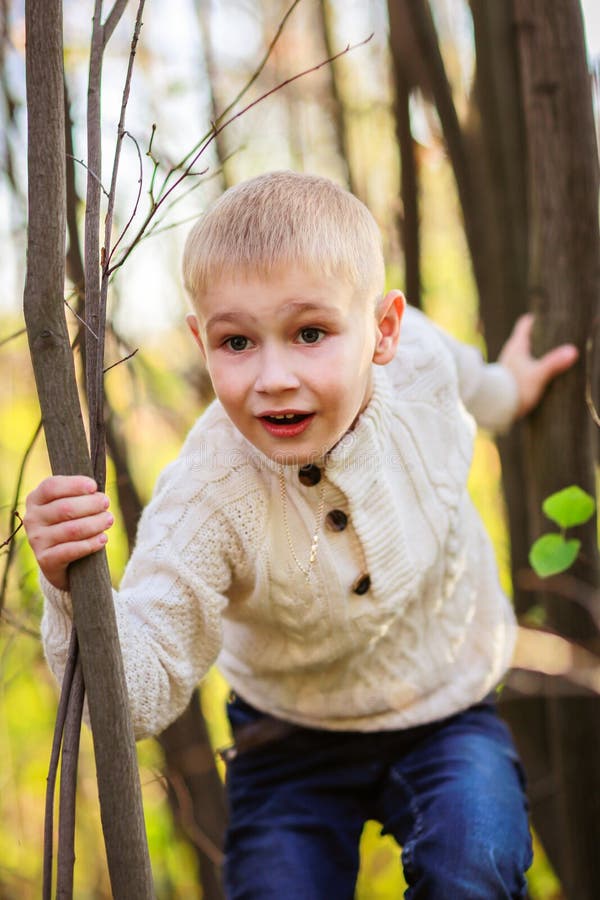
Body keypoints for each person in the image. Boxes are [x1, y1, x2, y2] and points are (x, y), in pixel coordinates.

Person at [25, 171, 578, 899]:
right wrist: (68, 588)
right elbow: (136, 698)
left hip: (447, 705)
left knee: (474, 865)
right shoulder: (209, 492)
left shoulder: (420, 365)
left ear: (383, 331)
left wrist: (513, 388)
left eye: (310, 333)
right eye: (237, 342)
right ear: (200, 340)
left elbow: (476, 384)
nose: (273, 376)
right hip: (288, 738)